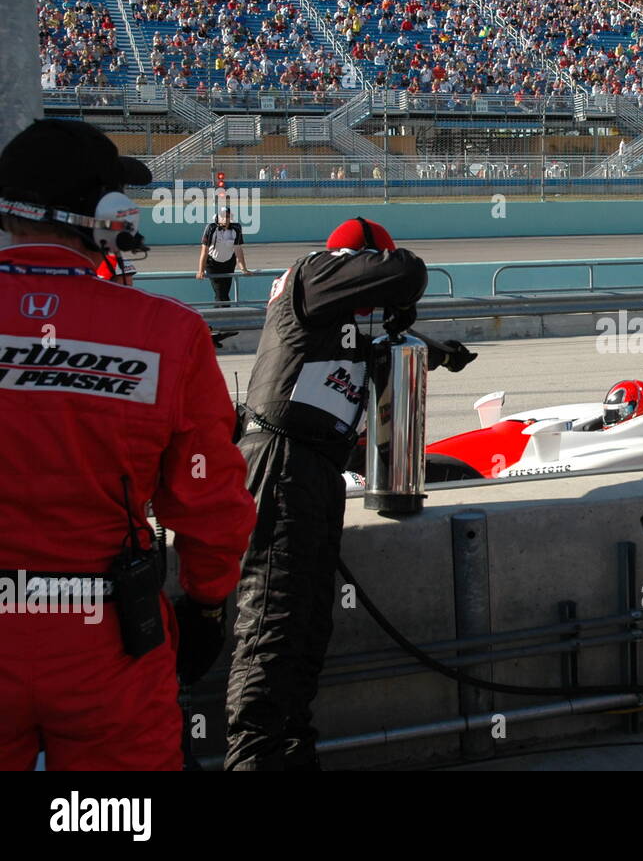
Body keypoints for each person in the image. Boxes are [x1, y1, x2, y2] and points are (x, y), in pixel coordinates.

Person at [0, 119, 255, 770]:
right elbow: (213, 504)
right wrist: (204, 607)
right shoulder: (167, 332)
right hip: (106, 639)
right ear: (104, 215)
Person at [225, 217, 476, 770]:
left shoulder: (333, 309)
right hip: (281, 461)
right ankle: (253, 760)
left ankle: (293, 754)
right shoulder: (313, 273)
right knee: (273, 624)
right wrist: (397, 295)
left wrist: (435, 348)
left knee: (308, 627)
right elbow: (409, 270)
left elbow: (373, 341)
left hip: (311, 469)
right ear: (359, 263)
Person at [198, 207, 251, 306]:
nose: (225, 219)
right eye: (222, 217)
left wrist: (244, 269)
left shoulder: (236, 228)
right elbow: (204, 251)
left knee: (224, 293)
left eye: (227, 217)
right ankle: (224, 316)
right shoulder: (211, 228)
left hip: (228, 264)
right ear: (217, 218)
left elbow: (238, 250)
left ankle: (219, 316)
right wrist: (201, 270)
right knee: (221, 294)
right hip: (213, 264)